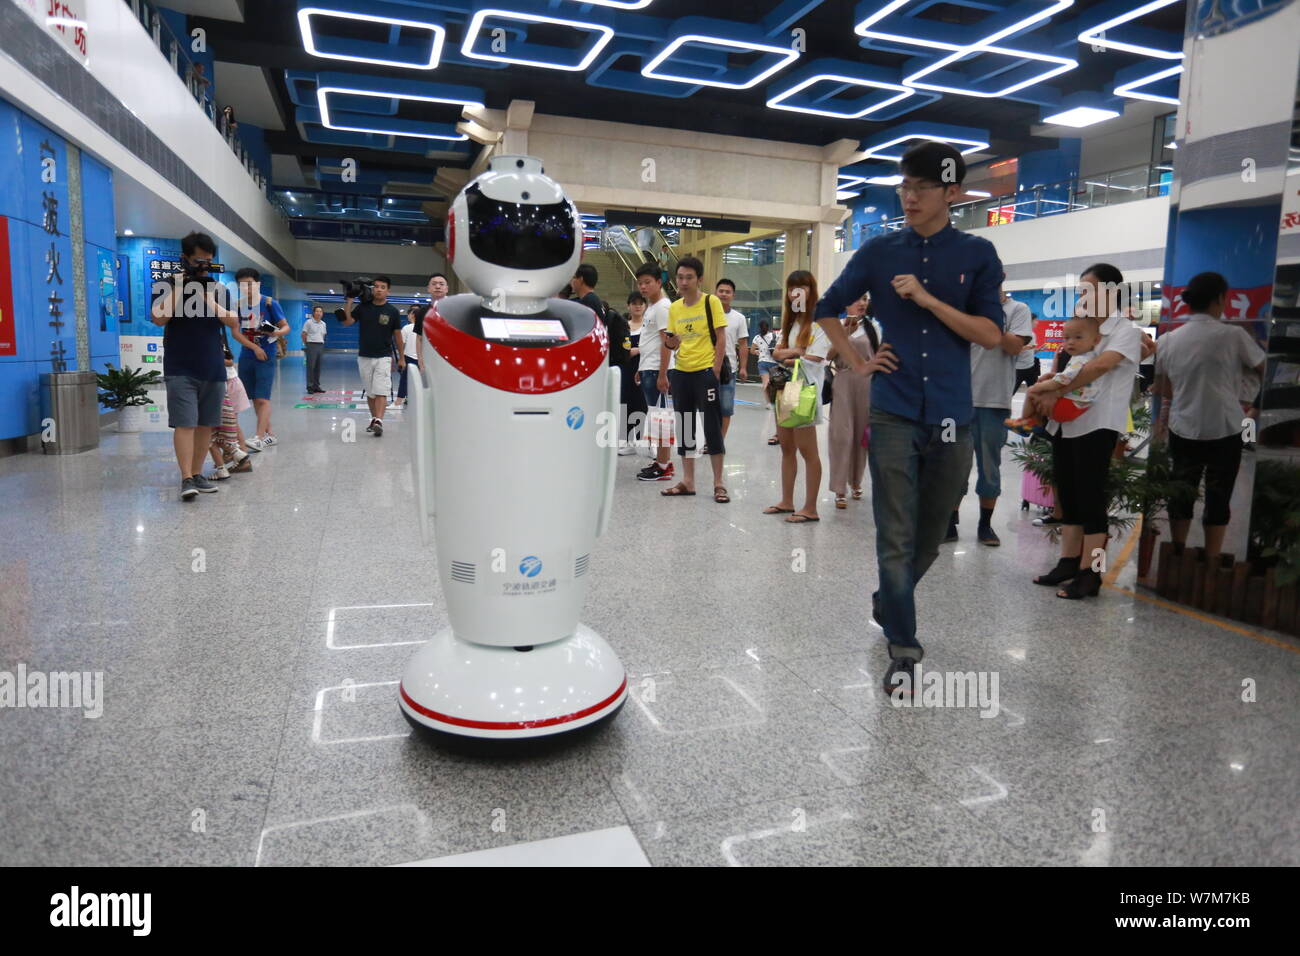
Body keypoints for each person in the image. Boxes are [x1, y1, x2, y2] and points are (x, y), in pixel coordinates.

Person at [811, 141, 1004, 696]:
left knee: (930, 535)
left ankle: (887, 601)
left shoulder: (978, 254)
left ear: (952, 193)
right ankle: (905, 646)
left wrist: (928, 300)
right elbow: (826, 307)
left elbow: (991, 335)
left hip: (952, 415)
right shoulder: (878, 251)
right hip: (893, 411)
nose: (909, 195)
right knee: (893, 535)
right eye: (905, 186)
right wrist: (858, 362)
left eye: (921, 187)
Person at [1025, 263, 1144, 600]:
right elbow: (1064, 366)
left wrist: (1056, 390)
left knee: (1091, 499)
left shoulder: (1125, 330)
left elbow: (1100, 366)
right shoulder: (1079, 328)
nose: (1081, 297)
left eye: (1087, 290)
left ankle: (1091, 574)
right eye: (1080, 291)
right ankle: (1067, 562)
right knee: (1070, 494)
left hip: (1099, 423)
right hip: (1066, 424)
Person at [1154, 271, 1266, 570]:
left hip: (1183, 426)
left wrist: (1185, 396)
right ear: (1220, 299)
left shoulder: (1167, 339)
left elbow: (1161, 386)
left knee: (1181, 492)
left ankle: (1177, 555)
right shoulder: (1233, 335)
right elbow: (1265, 369)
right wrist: (1247, 400)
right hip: (1226, 426)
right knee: (1219, 497)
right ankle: (1212, 560)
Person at [149, 232, 261, 501]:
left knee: (205, 425)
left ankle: (198, 473)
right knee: (185, 424)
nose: (203, 265)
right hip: (180, 366)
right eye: (198, 260)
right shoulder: (167, 285)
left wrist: (205, 294)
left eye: (208, 261)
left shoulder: (218, 289)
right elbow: (159, 318)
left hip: (212, 366)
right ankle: (186, 478)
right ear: (185, 258)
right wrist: (180, 284)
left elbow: (233, 323)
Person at [948, 273, 1036, 546]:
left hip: (994, 401)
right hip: (958, 401)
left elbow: (1014, 347)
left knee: (990, 467)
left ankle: (985, 525)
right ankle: (949, 523)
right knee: (952, 466)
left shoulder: (1017, 310)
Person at [762, 272, 831, 522]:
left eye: (801, 288)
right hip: (787, 388)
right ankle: (787, 500)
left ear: (810, 291)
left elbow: (815, 357)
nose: (796, 293)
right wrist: (795, 353)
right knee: (787, 447)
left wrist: (791, 355)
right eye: (792, 288)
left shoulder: (820, 321)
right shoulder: (791, 323)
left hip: (806, 390)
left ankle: (810, 508)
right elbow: (779, 353)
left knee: (808, 450)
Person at [659, 256, 729, 503]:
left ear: (699, 279)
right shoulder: (675, 308)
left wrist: (715, 370)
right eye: (680, 277)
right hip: (682, 373)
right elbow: (670, 341)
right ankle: (688, 481)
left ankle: (719, 483)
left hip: (705, 372)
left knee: (712, 427)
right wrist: (670, 344)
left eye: (689, 277)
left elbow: (721, 338)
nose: (684, 281)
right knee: (685, 425)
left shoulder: (711, 302)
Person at [1005, 316, 1102, 433]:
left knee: (1032, 391)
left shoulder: (1080, 359)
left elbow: (1062, 380)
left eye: (1078, 337)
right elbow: (1070, 376)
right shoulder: (1090, 357)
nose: (1071, 342)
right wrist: (1053, 377)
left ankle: (1026, 422)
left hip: (1070, 404)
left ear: (1096, 340)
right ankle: (1035, 420)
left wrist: (1040, 386)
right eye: (1066, 338)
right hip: (1081, 404)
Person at [826, 296, 878, 509]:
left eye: (864, 299)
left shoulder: (873, 327)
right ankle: (839, 488)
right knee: (841, 434)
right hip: (844, 380)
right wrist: (845, 333)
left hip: (867, 383)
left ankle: (856, 482)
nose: (862, 303)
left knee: (861, 435)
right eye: (857, 299)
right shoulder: (837, 326)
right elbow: (827, 355)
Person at [339, 276, 404, 437]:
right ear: (372, 289)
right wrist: (349, 301)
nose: (379, 289)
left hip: (384, 356)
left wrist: (401, 357)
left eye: (383, 287)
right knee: (370, 392)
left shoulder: (392, 311)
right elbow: (347, 322)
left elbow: (398, 336)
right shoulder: (363, 307)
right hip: (364, 356)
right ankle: (374, 419)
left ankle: (379, 421)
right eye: (376, 287)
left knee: (381, 390)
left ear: (388, 290)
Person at [234, 267, 289, 449]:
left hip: (267, 355)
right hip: (247, 355)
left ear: (257, 284)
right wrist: (253, 347)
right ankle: (269, 434)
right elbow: (236, 332)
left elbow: (285, 327)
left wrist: (275, 333)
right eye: (242, 285)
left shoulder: (269, 303)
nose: (246, 288)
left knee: (262, 398)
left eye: (249, 284)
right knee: (254, 397)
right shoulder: (238, 305)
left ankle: (258, 437)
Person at [634, 262, 676, 482]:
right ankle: (661, 461)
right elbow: (649, 342)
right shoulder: (652, 307)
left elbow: (666, 343)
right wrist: (642, 368)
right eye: (640, 283)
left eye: (648, 282)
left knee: (661, 418)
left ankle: (664, 466)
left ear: (659, 282)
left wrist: (662, 374)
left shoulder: (662, 307)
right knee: (657, 417)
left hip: (658, 370)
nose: (643, 287)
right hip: (648, 368)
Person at [714, 278, 749, 440]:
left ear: (733, 295)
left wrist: (743, 367)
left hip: (729, 370)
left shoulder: (739, 318)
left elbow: (743, 344)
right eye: (721, 291)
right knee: (709, 407)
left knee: (726, 407)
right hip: (706, 366)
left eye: (727, 292)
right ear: (715, 293)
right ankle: (710, 439)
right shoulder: (707, 315)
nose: (724, 294)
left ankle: (719, 440)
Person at [622, 291, 648, 455]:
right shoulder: (624, 326)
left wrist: (637, 350)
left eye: (641, 303)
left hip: (643, 368)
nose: (638, 306)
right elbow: (620, 349)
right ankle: (627, 440)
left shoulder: (648, 325)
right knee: (626, 402)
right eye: (634, 303)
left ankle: (640, 439)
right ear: (629, 306)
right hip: (626, 368)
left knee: (642, 403)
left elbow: (654, 347)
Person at [415, 273, 449, 367]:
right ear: (428, 288)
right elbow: (419, 338)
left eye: (441, 284)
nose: (437, 286)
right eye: (434, 284)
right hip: (429, 359)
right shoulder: (422, 312)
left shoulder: (455, 310)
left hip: (451, 360)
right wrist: (420, 360)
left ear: (446, 289)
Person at [393, 306, 423, 409]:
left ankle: (398, 402)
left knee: (404, 379)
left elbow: (401, 343)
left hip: (408, 357)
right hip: (421, 358)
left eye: (409, 314)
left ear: (412, 315)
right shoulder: (424, 327)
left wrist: (400, 357)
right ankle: (418, 401)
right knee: (420, 380)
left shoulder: (406, 328)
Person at [302, 305, 327, 393]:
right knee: (311, 367)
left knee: (318, 367)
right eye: (317, 311)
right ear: (314, 312)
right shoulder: (308, 322)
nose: (319, 313)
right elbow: (303, 334)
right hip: (311, 345)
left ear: (322, 313)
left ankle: (316, 386)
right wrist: (307, 344)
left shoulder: (323, 324)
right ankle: (310, 386)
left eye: (320, 311)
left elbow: (323, 335)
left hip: (320, 345)